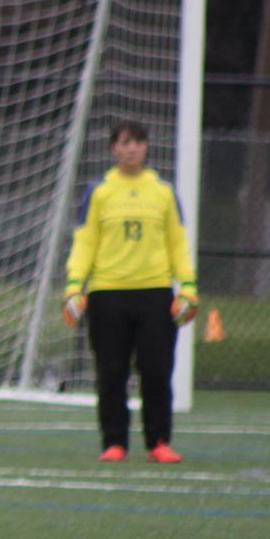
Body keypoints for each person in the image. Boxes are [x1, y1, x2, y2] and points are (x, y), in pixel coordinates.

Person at [62, 119, 198, 463]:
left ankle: (158, 442)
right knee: (111, 373)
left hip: (155, 293)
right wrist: (75, 285)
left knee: (156, 371)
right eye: (124, 142)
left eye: (137, 142)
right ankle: (114, 442)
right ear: (114, 148)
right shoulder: (99, 191)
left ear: (146, 147)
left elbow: (178, 243)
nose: (131, 148)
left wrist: (188, 285)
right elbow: (85, 242)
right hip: (107, 294)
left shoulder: (163, 191)